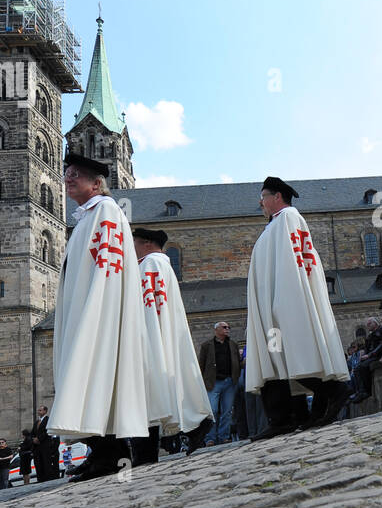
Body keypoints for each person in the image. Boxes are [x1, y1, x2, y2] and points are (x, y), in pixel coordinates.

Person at [49, 153, 151, 483]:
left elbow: (108, 267)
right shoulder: (84, 219)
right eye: (67, 174)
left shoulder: (106, 211)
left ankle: (112, 455)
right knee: (88, 379)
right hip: (83, 308)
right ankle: (103, 453)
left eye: (76, 174)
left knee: (95, 376)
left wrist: (95, 309)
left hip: (96, 308)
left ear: (97, 183)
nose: (68, 178)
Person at [244, 177, 352, 440]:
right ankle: (284, 417)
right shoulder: (275, 224)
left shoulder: (288, 218)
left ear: (277, 196)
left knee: (289, 355)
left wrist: (283, 302)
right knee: (275, 358)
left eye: (264, 196)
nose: (260, 202)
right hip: (271, 309)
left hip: (283, 305)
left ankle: (333, 390)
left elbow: (294, 263)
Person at [133, 228, 216, 459]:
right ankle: (192, 429)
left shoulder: (149, 264)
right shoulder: (162, 264)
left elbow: (148, 304)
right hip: (160, 332)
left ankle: (145, 452)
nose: (133, 248)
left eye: (136, 243)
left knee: (146, 392)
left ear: (147, 244)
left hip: (150, 334)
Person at [197, 321, 240, 447]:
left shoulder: (233, 344)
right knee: (213, 410)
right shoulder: (207, 346)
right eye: (224, 327)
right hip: (213, 383)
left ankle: (224, 436)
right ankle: (210, 438)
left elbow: (237, 360)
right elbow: (201, 364)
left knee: (227, 411)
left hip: (229, 382)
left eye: (228, 327)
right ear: (216, 330)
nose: (227, 329)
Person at [32, 406, 59, 481]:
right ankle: (40, 478)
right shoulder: (37, 422)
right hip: (37, 447)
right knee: (38, 463)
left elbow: (47, 431)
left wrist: (39, 439)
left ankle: (47, 478)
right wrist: (33, 439)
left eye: (40, 410)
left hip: (45, 445)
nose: (38, 411)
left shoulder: (48, 420)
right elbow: (32, 432)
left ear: (45, 411)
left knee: (46, 463)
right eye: (38, 410)